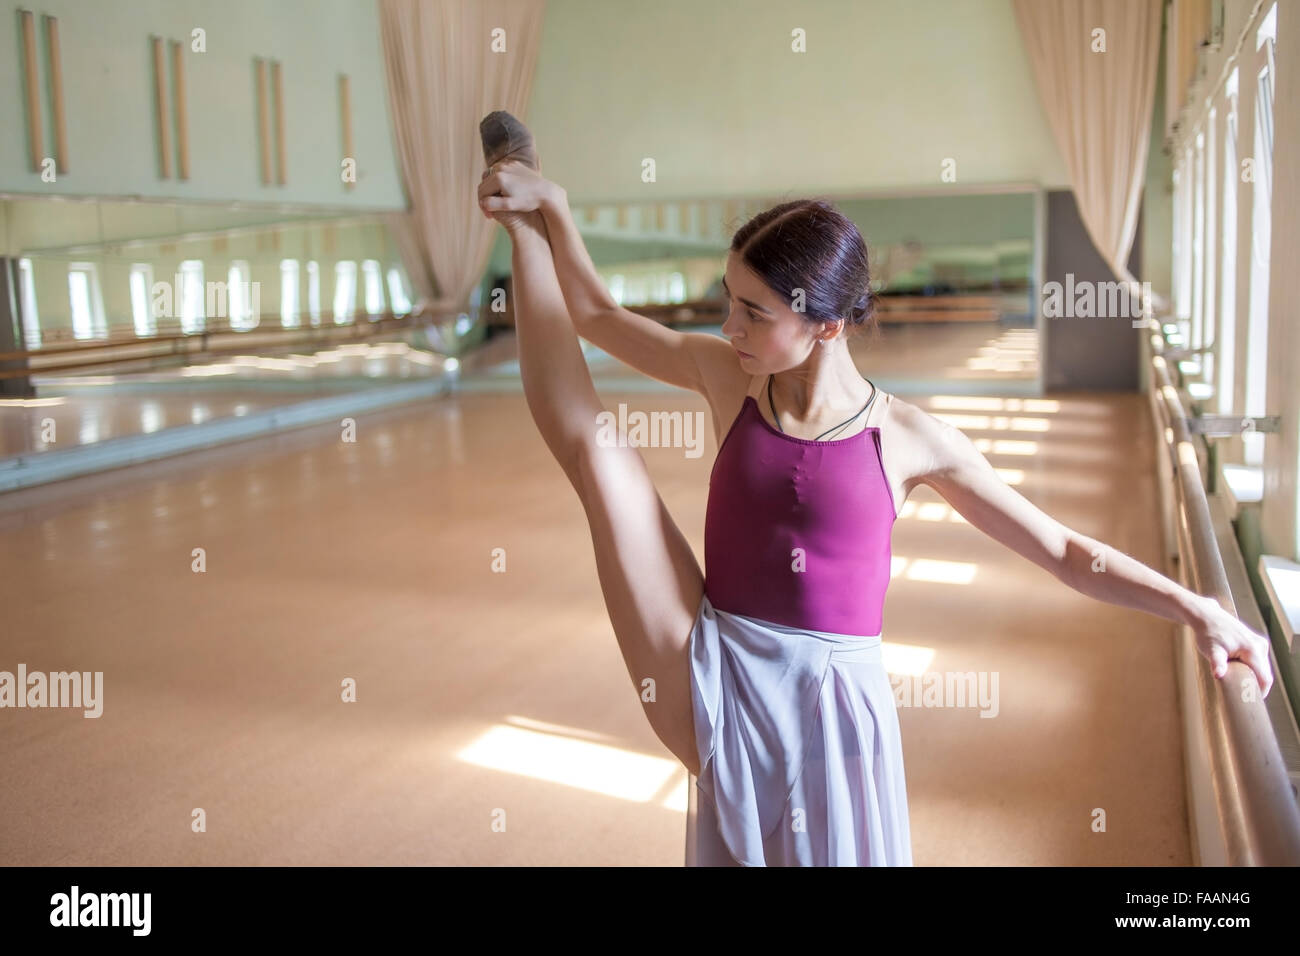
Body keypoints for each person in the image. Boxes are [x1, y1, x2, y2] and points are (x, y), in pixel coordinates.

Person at [474, 112, 1274, 867]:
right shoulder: (729, 378)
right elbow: (599, 314)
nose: (729, 328)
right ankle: (520, 210)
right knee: (600, 449)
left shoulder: (910, 439)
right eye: (729, 303)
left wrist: (1198, 609)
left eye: (752, 312)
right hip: (714, 661)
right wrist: (551, 212)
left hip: (833, 704)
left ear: (826, 323)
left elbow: (1065, 551)